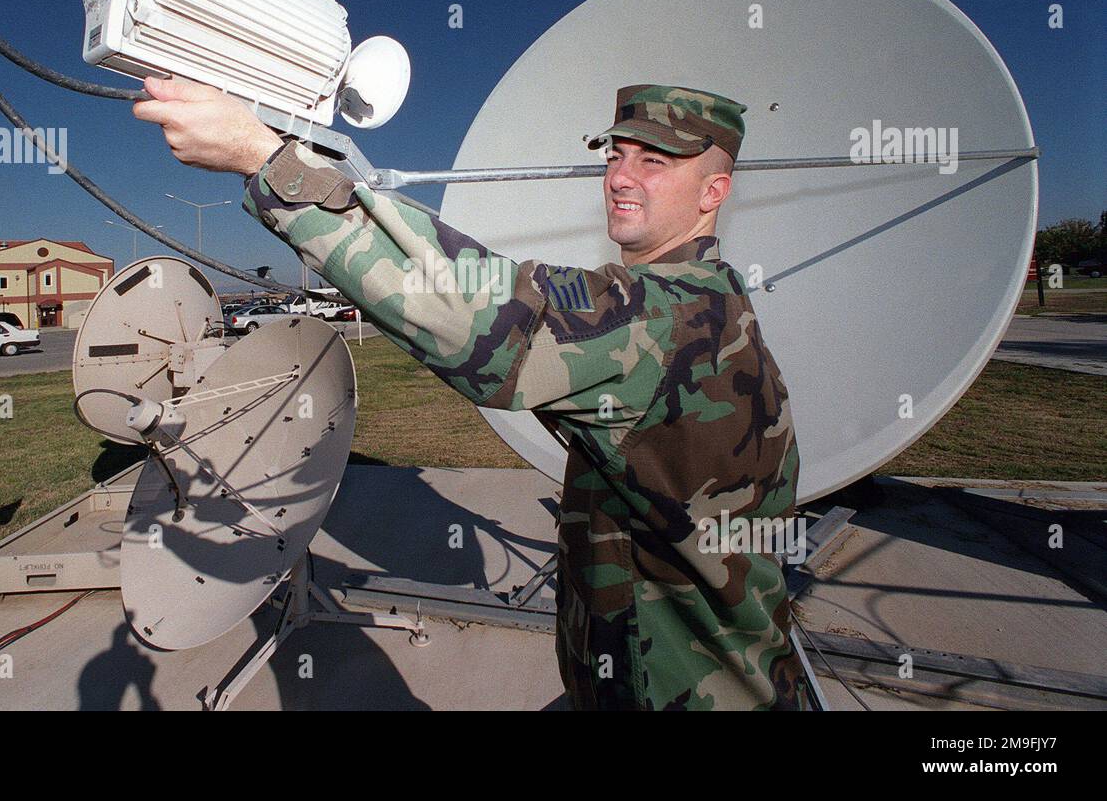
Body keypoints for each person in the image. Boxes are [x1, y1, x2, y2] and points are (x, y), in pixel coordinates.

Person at [134, 78, 808, 710]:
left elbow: (477, 314)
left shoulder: (669, 317)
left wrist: (266, 161)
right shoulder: (714, 304)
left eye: (655, 161)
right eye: (616, 154)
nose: (620, 177)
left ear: (713, 191)